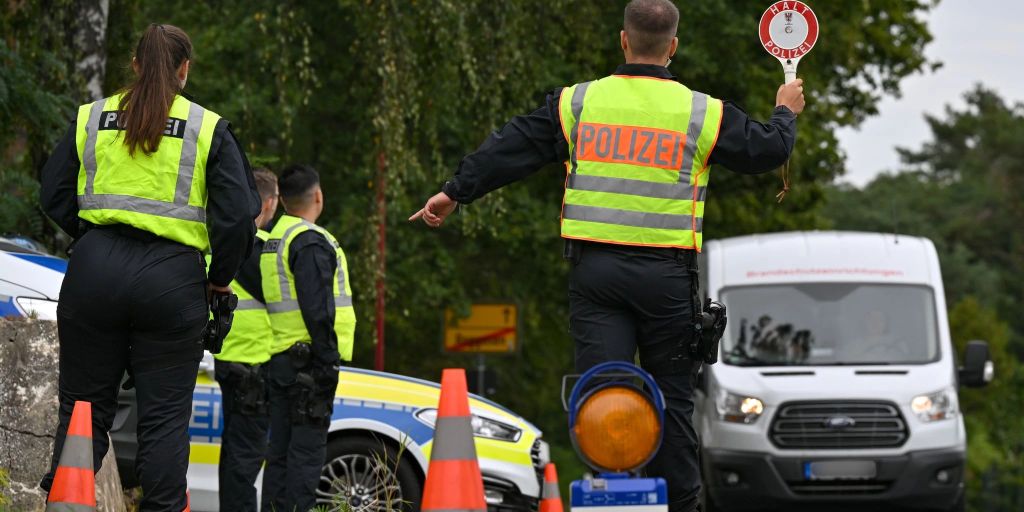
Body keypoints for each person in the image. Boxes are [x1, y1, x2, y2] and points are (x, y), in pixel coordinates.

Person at [409, 1, 804, 510]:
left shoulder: (578, 103)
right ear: (673, 46)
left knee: (604, 400)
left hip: (597, 276)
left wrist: (454, 191)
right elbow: (767, 150)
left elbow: (511, 147)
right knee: (673, 405)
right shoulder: (702, 112)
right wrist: (785, 111)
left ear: (623, 39)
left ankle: (611, 500)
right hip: (666, 280)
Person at [38, 23, 259, 511]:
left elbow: (52, 192)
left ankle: (65, 505)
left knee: (82, 411)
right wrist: (219, 280)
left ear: (135, 64)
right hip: (172, 280)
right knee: (164, 420)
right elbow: (238, 219)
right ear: (184, 70)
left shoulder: (91, 117)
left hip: (94, 273)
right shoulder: (207, 128)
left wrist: (95, 240)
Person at [260, 164, 356, 511]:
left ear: (283, 200)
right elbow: (318, 309)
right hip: (309, 365)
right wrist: (328, 359)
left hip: (281, 359)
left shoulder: (275, 239)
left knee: (280, 455)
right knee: (305, 457)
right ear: (318, 195)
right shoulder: (310, 241)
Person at [211, 167, 278, 511]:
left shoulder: (215, 245)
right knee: (245, 459)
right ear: (268, 203)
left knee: (234, 455)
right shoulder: (265, 251)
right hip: (257, 365)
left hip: (226, 361)